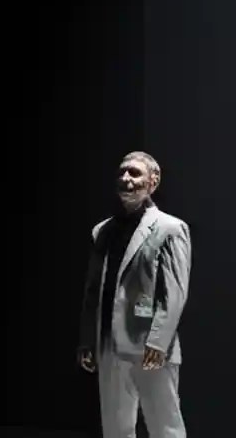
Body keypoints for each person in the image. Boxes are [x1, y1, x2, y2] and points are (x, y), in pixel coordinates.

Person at [78, 151, 191, 438]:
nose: (126, 179)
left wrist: (159, 341)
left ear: (154, 181)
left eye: (135, 173)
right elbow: (93, 291)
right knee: (116, 428)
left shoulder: (170, 228)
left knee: (165, 426)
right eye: (122, 173)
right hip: (109, 347)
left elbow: (175, 292)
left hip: (150, 347)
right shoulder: (101, 231)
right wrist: (88, 339)